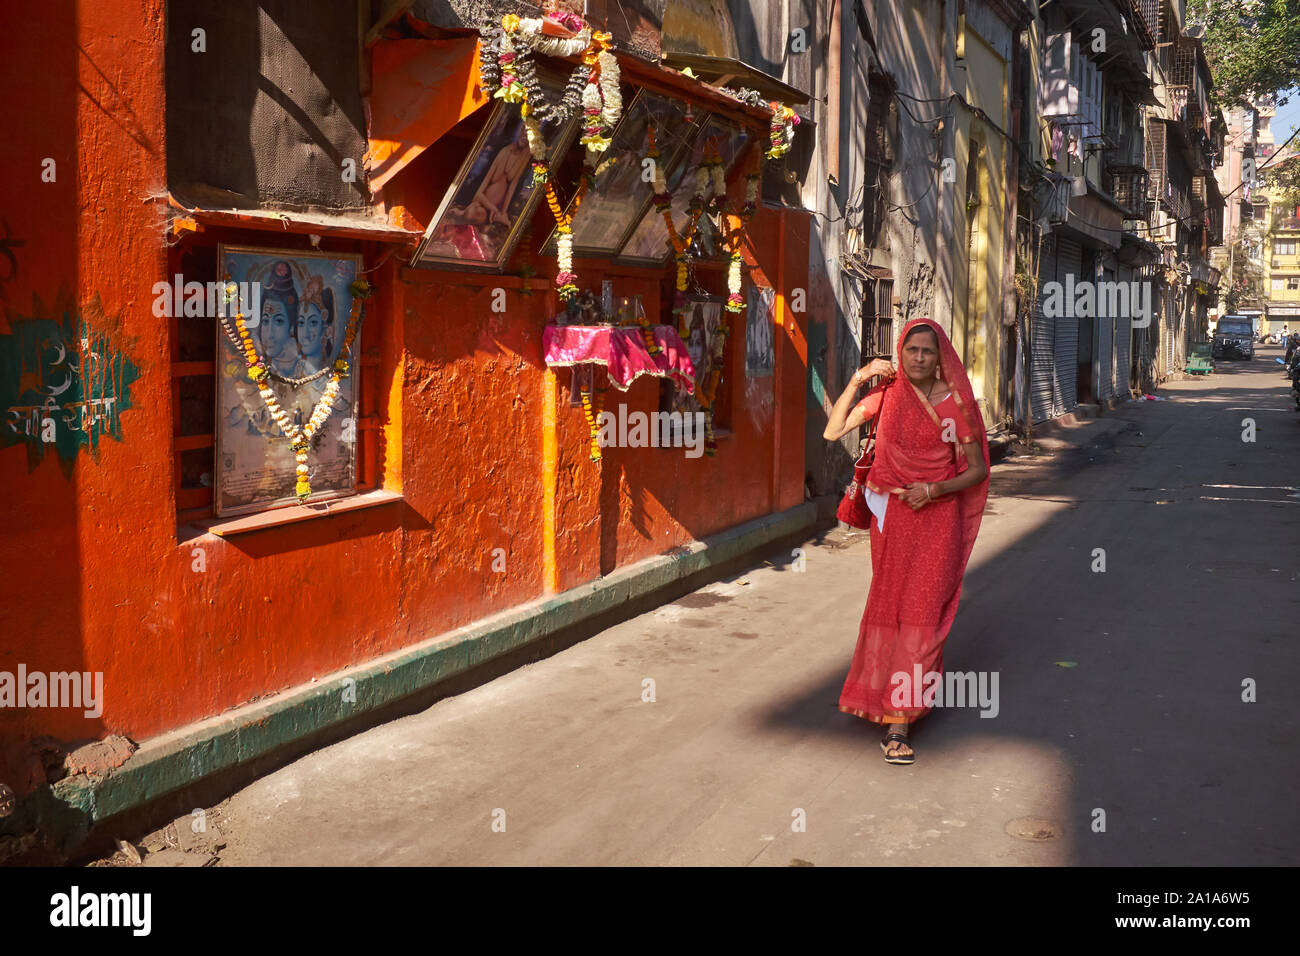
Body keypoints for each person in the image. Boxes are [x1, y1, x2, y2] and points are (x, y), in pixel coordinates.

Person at [822, 318, 991, 764]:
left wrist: (933, 490)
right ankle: (881, 697)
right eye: (911, 350)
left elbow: (976, 470)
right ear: (901, 351)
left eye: (927, 352)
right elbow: (833, 430)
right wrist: (859, 379)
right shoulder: (887, 397)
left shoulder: (956, 407)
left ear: (941, 359)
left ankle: (899, 720)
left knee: (923, 614)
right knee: (891, 606)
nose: (918, 358)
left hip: (938, 520)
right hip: (894, 519)